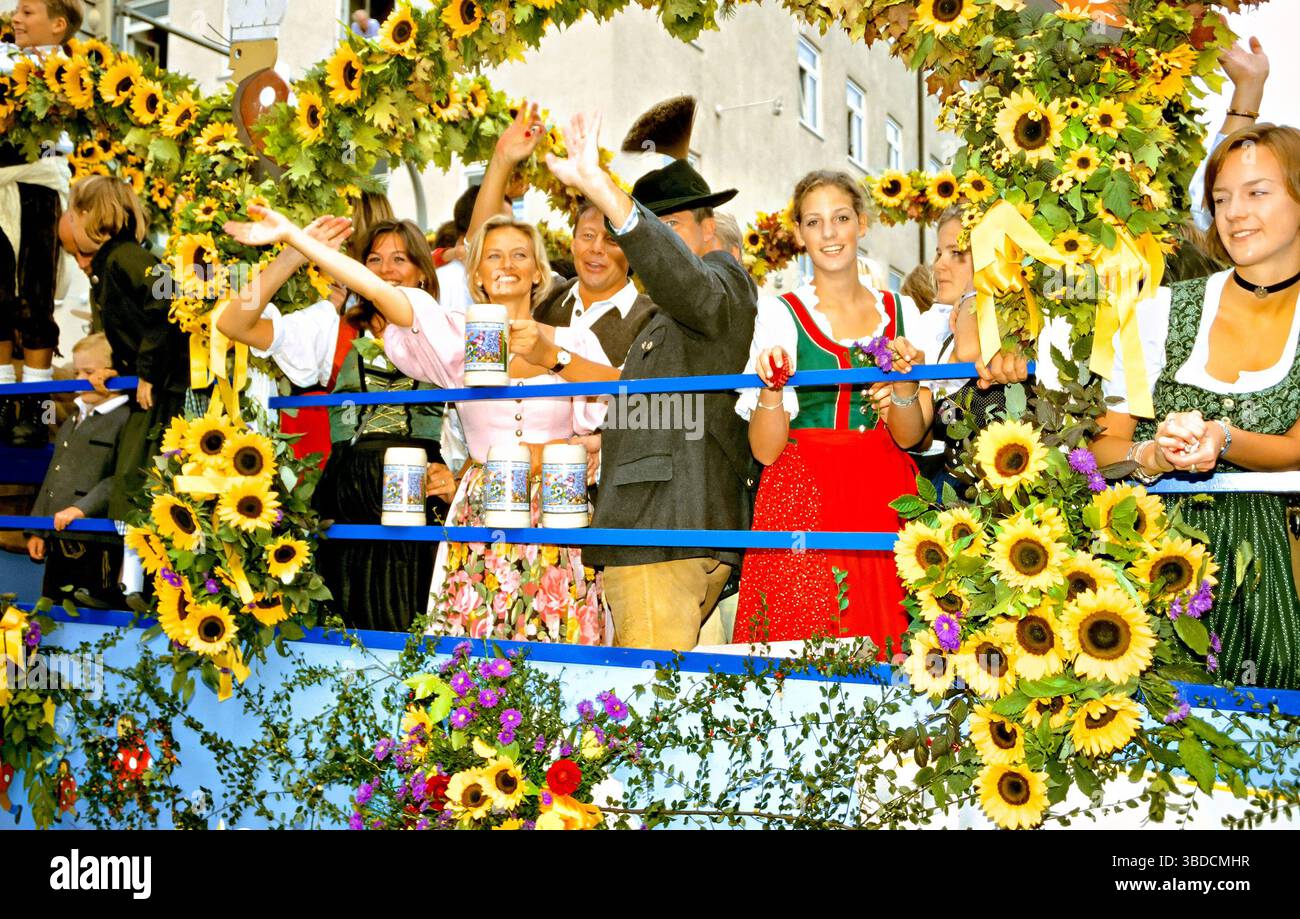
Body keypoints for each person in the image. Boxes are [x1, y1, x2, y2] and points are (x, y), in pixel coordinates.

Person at [1090, 124, 1300, 691]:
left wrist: (1223, 439)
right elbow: (1102, 447)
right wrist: (1152, 454)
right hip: (1159, 570)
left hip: (1282, 572)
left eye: (1258, 192)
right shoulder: (1159, 311)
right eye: (1222, 198)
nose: (1235, 213)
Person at [544, 111, 758, 651]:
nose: (658, 244)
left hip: (659, 533)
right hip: (675, 527)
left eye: (674, 224)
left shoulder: (720, 281)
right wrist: (605, 439)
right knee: (678, 707)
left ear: (710, 229)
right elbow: (681, 407)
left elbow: (686, 281)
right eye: (651, 227)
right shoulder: (669, 316)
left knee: (648, 709)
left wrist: (600, 188)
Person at [378, 215, 615, 643]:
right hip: (481, 504)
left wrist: (588, 440)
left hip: (557, 501)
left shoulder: (574, 340)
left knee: (562, 628)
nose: (507, 264)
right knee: (476, 630)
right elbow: (383, 293)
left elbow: (629, 397)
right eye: (494, 255)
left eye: (519, 254)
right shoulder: (455, 341)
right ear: (478, 275)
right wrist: (297, 239)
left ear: (538, 271)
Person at [220, 212, 457, 633]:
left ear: (423, 271)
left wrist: (459, 474)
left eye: (400, 259)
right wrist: (293, 252)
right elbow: (233, 323)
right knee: (348, 618)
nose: (386, 270)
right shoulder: (331, 327)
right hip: (348, 489)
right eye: (375, 260)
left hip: (421, 490)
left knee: (417, 618)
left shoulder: (445, 328)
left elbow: (478, 416)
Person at [734, 170, 931, 650]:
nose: (828, 232)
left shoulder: (905, 311)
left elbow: (910, 437)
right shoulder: (779, 314)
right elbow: (764, 449)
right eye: (814, 221)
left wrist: (902, 388)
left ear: (861, 224)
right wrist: (771, 390)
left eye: (840, 218)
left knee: (891, 639)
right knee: (802, 644)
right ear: (800, 233)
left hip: (885, 491)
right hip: (802, 493)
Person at [474, 104, 657, 368]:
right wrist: (502, 160)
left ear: (631, 250)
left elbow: (641, 392)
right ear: (572, 244)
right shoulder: (545, 295)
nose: (596, 248)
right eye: (588, 235)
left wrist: (552, 357)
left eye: (611, 240)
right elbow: (483, 242)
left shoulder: (651, 319)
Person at [57, 177, 188, 524]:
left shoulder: (125, 258)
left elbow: (165, 295)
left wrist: (148, 370)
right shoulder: (115, 261)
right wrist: (123, 370)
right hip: (151, 388)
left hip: (164, 391)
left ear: (88, 214)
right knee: (133, 492)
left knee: (141, 490)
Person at [0, 0, 81, 447]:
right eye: (15, 9)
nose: (16, 17)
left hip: (37, 184)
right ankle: (1, 402)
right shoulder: (3, 60)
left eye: (28, 11)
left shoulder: (69, 76)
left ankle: (33, 407)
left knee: (34, 292)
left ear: (58, 24)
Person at [25, 333, 129, 608]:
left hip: (96, 538)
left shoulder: (127, 419)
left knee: (92, 605)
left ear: (113, 373)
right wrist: (38, 529)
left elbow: (119, 478)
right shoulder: (73, 417)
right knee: (52, 605)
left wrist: (81, 508)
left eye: (89, 371)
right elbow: (53, 475)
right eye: (76, 372)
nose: (80, 378)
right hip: (59, 535)